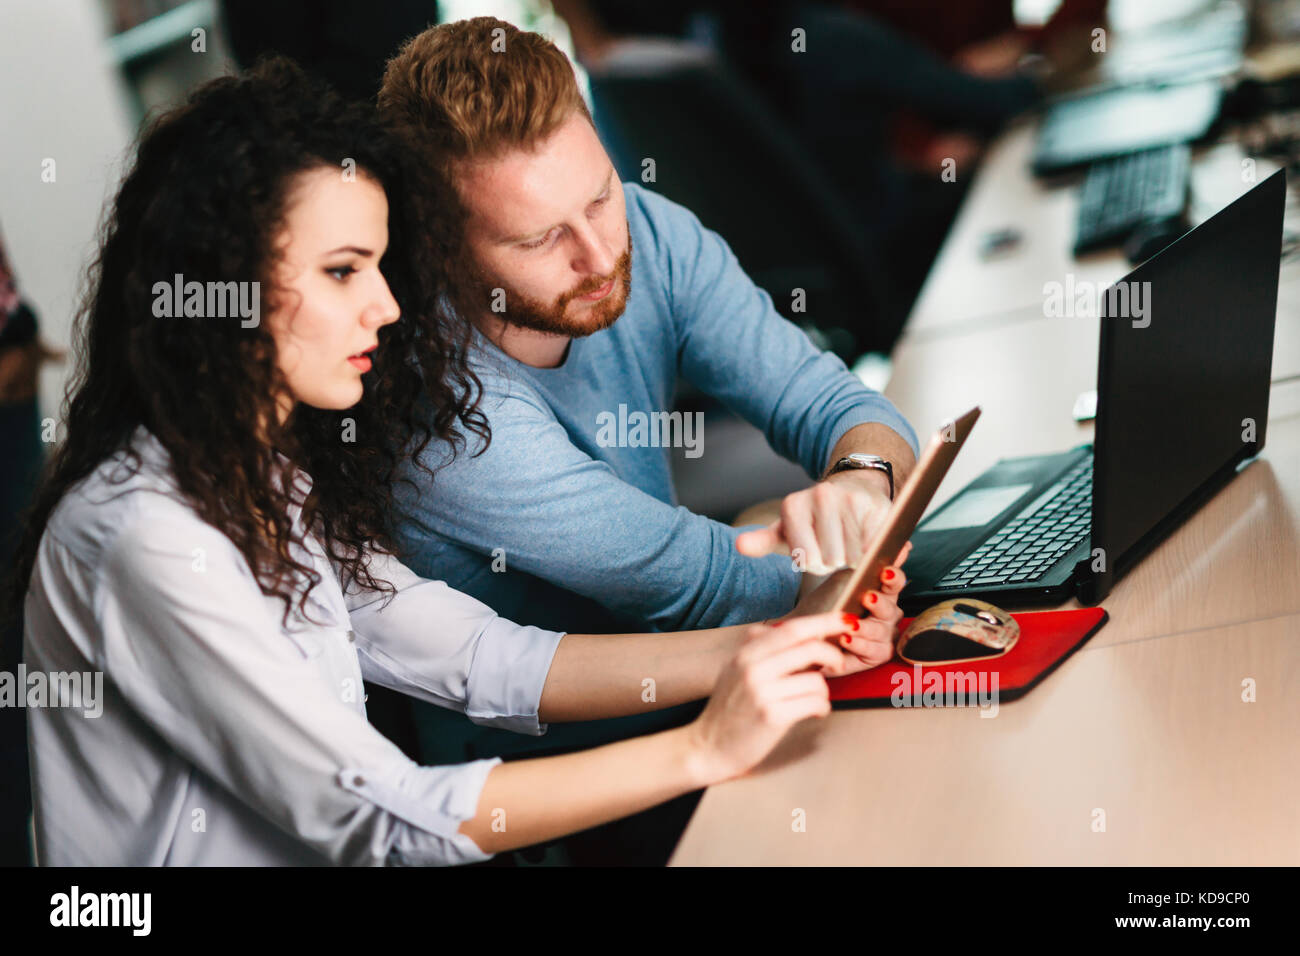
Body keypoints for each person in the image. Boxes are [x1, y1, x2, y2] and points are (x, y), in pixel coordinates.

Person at [5, 59, 910, 866]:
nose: (390, 308)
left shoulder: (262, 478)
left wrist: (772, 649)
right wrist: (707, 746)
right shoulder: (145, 537)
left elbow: (485, 659)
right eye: (345, 271)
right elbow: (380, 822)